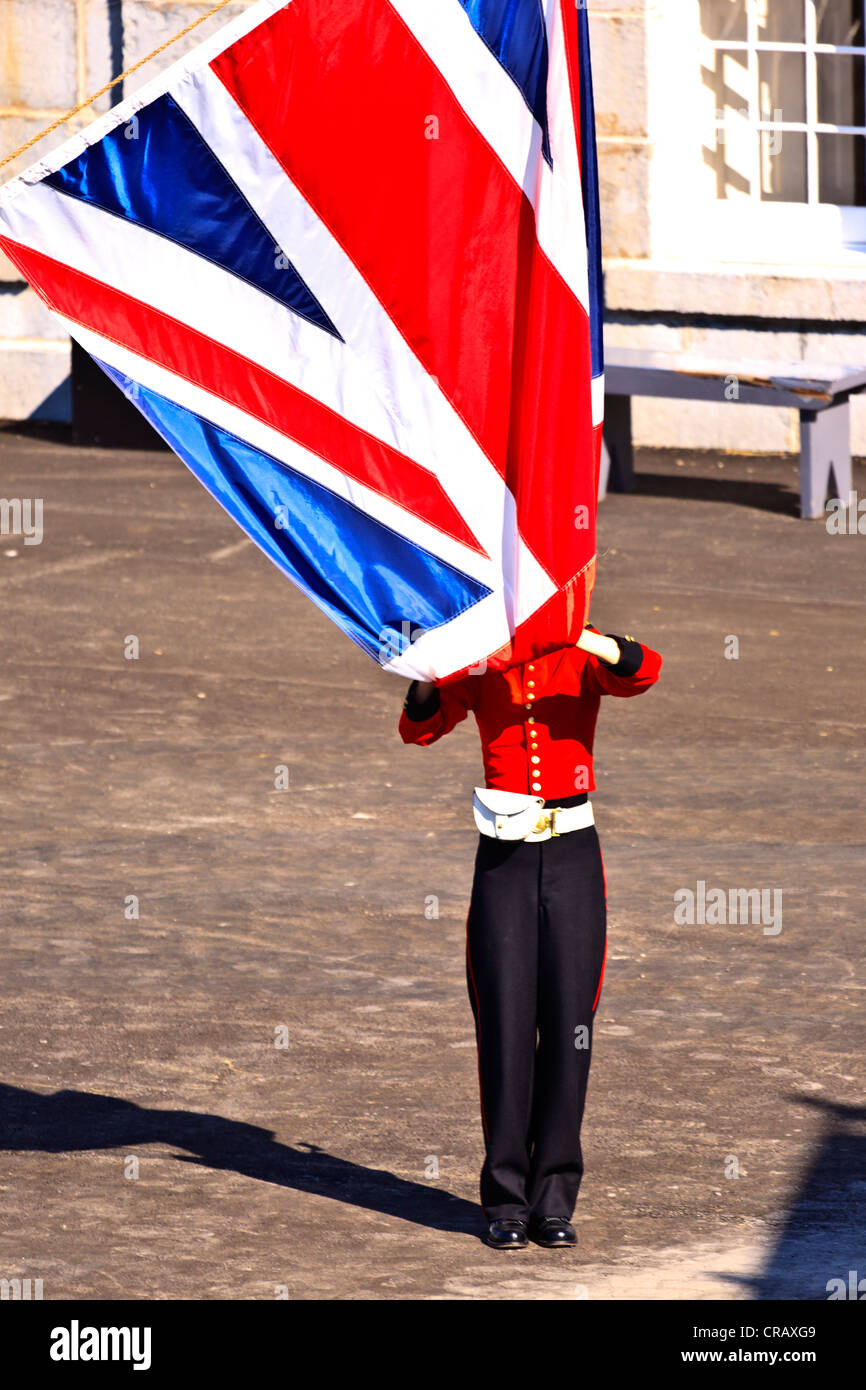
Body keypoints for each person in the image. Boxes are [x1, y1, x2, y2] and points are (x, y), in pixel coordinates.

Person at [398, 624, 662, 1249]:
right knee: (506, 1025)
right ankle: (506, 1200)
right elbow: (420, 726)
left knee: (572, 1024)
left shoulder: (580, 651)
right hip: (504, 860)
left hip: (572, 856)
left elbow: (644, 669)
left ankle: (554, 1200)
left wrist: (581, 635)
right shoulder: (479, 654)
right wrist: (427, 665)